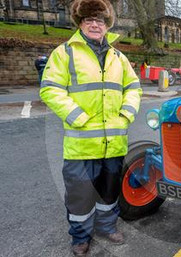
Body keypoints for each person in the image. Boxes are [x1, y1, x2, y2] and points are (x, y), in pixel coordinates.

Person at [39, 0, 142, 255]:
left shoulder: (119, 57)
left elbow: (133, 88)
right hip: (81, 144)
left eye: (100, 20)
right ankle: (80, 237)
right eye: (89, 20)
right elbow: (50, 88)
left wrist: (126, 115)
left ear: (107, 25)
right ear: (80, 24)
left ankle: (107, 227)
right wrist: (77, 117)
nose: (95, 24)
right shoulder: (65, 53)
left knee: (108, 192)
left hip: (114, 143)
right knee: (80, 195)